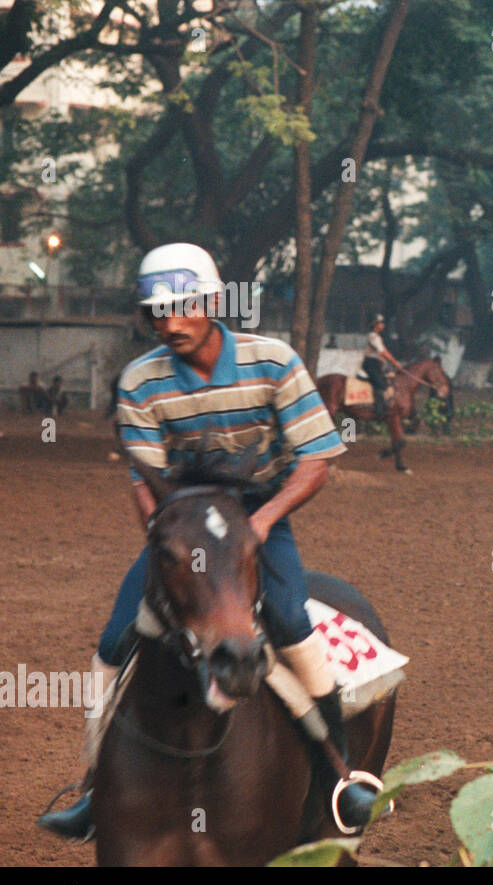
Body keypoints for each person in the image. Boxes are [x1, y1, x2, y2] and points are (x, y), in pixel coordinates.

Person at [37, 242, 377, 840]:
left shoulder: (272, 362)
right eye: (157, 313)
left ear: (214, 302)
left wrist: (265, 520)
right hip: (182, 520)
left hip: (255, 518)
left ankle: (338, 775)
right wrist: (161, 531)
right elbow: (142, 478)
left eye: (183, 308)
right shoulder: (140, 381)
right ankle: (94, 787)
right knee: (115, 638)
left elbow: (317, 460)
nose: (170, 323)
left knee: (294, 624)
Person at [362, 314, 401, 418]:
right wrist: (394, 362)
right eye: (381, 323)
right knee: (381, 385)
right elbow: (383, 352)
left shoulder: (378, 337)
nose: (383, 325)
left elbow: (385, 352)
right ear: (376, 324)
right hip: (371, 364)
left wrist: (393, 361)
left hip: (377, 364)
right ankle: (378, 412)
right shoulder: (373, 336)